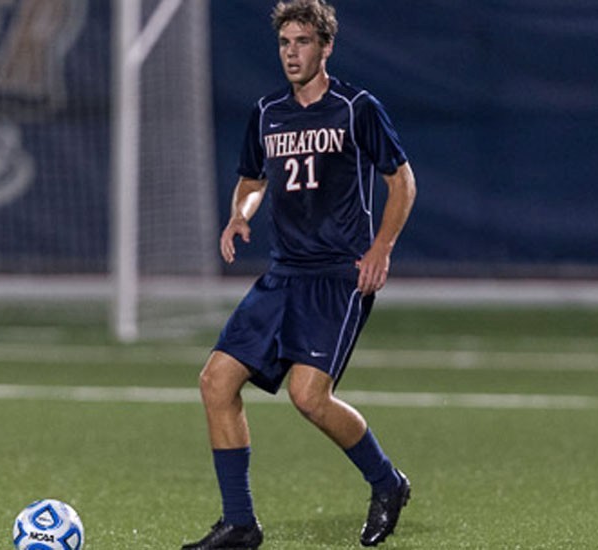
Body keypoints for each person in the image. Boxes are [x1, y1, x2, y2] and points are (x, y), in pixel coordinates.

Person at [182, 0, 417, 548]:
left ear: (326, 47)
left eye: (303, 42)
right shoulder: (267, 112)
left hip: (338, 276)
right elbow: (252, 179)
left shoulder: (356, 108)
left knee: (309, 397)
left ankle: (388, 483)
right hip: (283, 273)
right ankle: (240, 524)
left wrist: (381, 248)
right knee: (216, 381)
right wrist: (239, 215)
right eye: (285, 43)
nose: (291, 53)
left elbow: (401, 181)